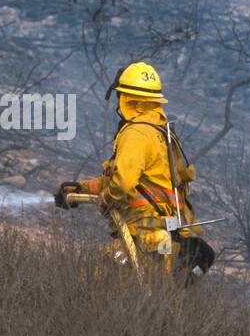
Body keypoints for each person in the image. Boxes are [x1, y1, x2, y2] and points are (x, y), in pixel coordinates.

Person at [54, 61, 202, 273]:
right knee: (153, 294)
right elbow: (123, 179)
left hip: (142, 234)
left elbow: (123, 183)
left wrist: (106, 200)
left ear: (125, 99)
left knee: (98, 281)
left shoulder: (136, 134)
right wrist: (81, 189)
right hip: (164, 233)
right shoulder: (158, 132)